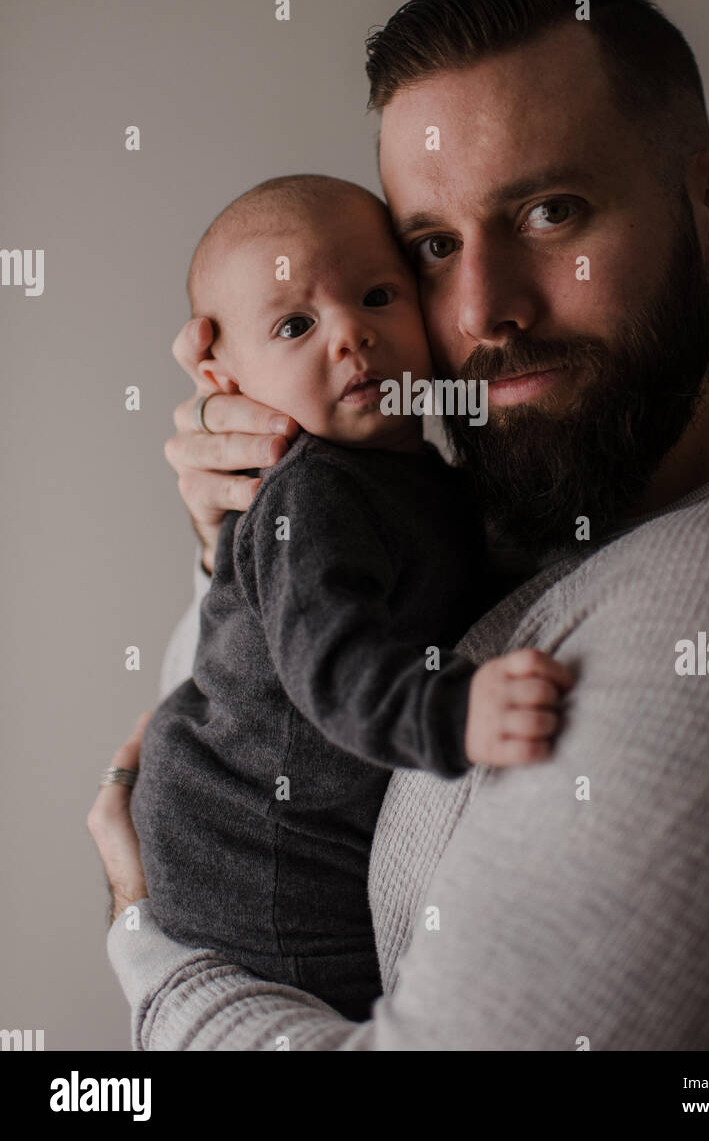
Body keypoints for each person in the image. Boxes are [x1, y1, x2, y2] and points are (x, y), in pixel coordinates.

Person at [89, 0, 709, 1050]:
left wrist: (155, 952)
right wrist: (247, 525)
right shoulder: (513, 522)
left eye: (552, 212)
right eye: (433, 249)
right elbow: (258, 710)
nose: (483, 310)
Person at [129, 172, 571, 1022]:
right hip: (250, 864)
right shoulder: (315, 495)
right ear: (222, 382)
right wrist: (454, 715)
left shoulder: (421, 477)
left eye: (376, 296)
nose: (351, 337)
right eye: (295, 324)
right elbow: (330, 666)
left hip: (291, 842)